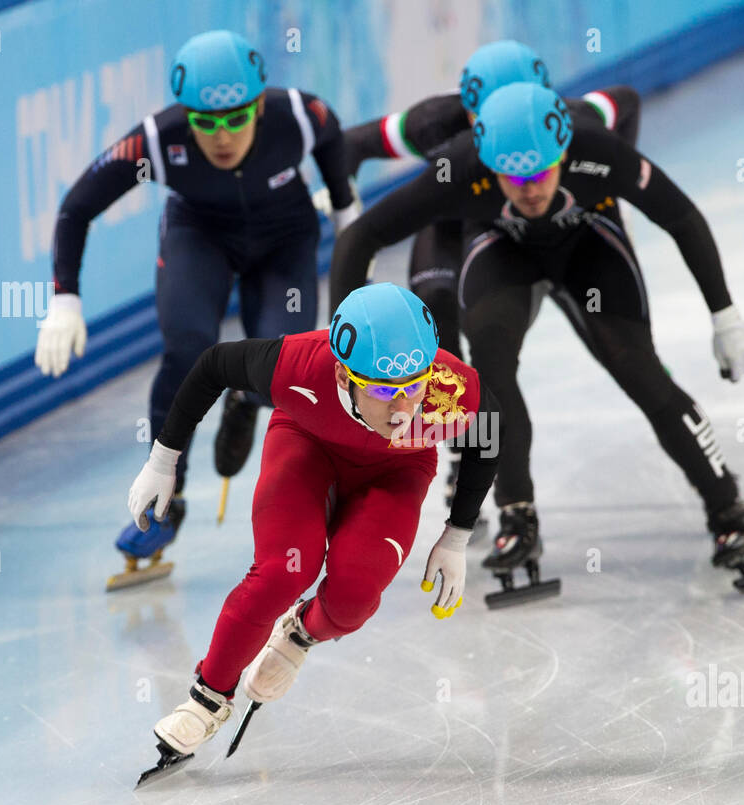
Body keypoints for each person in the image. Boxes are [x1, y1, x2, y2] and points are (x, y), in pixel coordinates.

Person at [331, 83, 744, 600]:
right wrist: (335, 349)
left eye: (541, 172)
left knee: (638, 369)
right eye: (514, 177)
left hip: (588, 246)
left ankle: (726, 506)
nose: (529, 190)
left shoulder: (596, 147)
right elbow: (359, 237)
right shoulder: (460, 165)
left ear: (563, 152)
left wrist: (725, 316)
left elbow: (680, 216)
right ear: (489, 163)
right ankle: (517, 515)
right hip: (505, 252)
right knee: (490, 375)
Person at [126, 283, 503, 778]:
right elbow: (213, 366)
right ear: (344, 375)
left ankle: (299, 634)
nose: (403, 409)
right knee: (283, 572)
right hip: (307, 443)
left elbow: (490, 432)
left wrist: (456, 534)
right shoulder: (298, 365)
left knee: (355, 597)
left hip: (397, 470)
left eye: (414, 387)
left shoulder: (450, 387)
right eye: (384, 391)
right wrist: (163, 460)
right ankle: (208, 698)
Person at [33, 29, 360, 589]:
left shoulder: (300, 114)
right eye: (205, 122)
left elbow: (332, 141)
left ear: (259, 106)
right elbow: (76, 207)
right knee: (187, 349)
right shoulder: (158, 140)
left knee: (280, 367)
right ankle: (166, 499)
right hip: (200, 235)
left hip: (284, 239)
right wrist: (65, 297)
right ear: (187, 115)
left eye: (236, 118)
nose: (222, 136)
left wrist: (347, 211)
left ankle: (247, 399)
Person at [329, 39, 640, 509]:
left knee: (598, 335)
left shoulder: (566, 118)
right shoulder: (435, 121)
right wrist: (346, 214)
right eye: (488, 119)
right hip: (452, 229)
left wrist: (612, 197)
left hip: (527, 227)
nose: (506, 126)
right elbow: (351, 145)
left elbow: (627, 103)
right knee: (438, 319)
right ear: (466, 109)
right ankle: (463, 449)